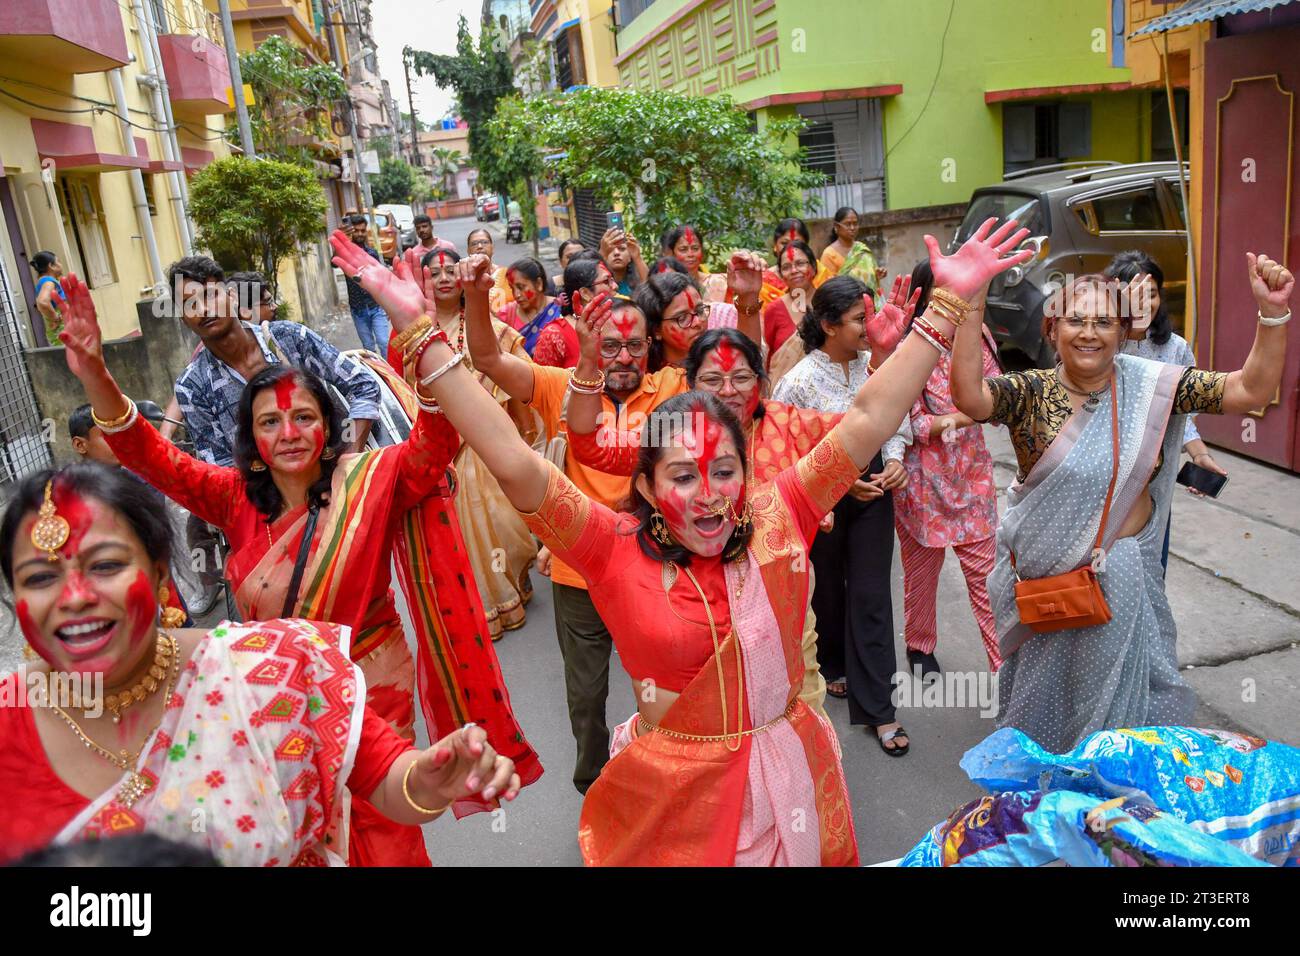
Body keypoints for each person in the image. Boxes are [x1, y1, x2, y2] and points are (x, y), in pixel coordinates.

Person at [336, 217, 1031, 863]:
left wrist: (948, 307)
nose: (709, 493)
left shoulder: (779, 511)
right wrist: (422, 330)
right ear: (644, 487)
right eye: (682, 474)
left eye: (724, 469)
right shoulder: (608, 546)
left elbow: (872, 414)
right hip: (673, 797)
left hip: (790, 774)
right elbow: (510, 458)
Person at [57, 272, 541, 864]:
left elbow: (438, 441)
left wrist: (422, 329)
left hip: (368, 683)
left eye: (305, 418)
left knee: (380, 828)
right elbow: (148, 454)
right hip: (270, 693)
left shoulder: (374, 479)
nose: (289, 434)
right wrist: (94, 373)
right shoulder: (231, 496)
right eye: (269, 422)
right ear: (251, 436)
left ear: (329, 425)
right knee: (293, 825)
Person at [0, 462, 520, 864]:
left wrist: (428, 781)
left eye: (106, 565)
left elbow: (388, 779)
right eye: (40, 578)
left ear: (160, 572)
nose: (73, 597)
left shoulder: (266, 668)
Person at [950, 253, 1292, 753]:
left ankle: (1115, 808)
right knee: (1043, 719)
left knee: (1124, 730)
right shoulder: (1030, 393)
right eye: (1076, 320)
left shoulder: (1153, 386)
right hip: (1046, 596)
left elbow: (1249, 388)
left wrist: (1273, 314)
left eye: (1104, 322)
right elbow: (970, 397)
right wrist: (971, 302)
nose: (1089, 333)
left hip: (1123, 588)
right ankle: (1048, 805)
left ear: (1124, 332)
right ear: (1052, 329)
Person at [772, 275, 914, 753]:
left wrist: (894, 458)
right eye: (860, 319)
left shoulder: (877, 365)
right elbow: (781, 445)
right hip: (822, 497)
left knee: (872, 594)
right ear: (829, 325)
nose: (869, 326)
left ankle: (880, 710)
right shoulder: (800, 380)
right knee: (828, 589)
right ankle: (833, 664)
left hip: (875, 487)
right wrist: (833, 482)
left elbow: (897, 417)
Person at [391, 246, 540, 639]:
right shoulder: (408, 333)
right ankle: (480, 604)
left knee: (502, 523)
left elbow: (512, 375)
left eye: (448, 270)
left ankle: (510, 587)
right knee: (458, 527)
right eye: (433, 272)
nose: (442, 278)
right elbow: (402, 393)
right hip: (442, 448)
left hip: (487, 442)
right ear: (422, 280)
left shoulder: (485, 327)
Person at [891, 260, 1003, 676]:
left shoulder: (977, 338)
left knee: (988, 583)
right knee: (921, 575)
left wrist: (965, 414)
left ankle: (1004, 670)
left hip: (972, 480)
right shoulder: (911, 349)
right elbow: (911, 423)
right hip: (921, 487)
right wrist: (966, 415)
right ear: (925, 297)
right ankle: (920, 646)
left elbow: (995, 397)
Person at [166, 256, 380, 467]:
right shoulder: (192, 386)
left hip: (335, 475)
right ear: (182, 318)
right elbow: (220, 468)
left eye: (211, 295)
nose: (204, 309)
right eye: (189, 303)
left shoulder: (290, 338)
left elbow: (364, 385)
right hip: (266, 498)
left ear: (232, 297)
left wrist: (349, 460)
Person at [1105, 250, 1227, 574]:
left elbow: (1181, 416)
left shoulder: (1175, 348)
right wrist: (1122, 328)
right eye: (1134, 293)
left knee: (1151, 568)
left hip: (1157, 483)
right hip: (1105, 479)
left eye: (1152, 293)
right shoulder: (1099, 343)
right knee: (1106, 572)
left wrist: (1199, 455)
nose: (1144, 301)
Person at [68, 404, 192, 629]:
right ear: (80, 444)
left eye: (120, 435)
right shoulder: (68, 496)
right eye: (106, 437)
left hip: (156, 584)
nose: (118, 443)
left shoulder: (140, 475)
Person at [635, 263, 762, 370]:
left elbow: (749, 360)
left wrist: (748, 296)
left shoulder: (719, 362)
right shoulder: (646, 378)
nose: (698, 322)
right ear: (657, 329)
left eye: (700, 310)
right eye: (682, 318)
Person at [534, 252, 619, 370]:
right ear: (585, 293)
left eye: (613, 280)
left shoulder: (620, 322)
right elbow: (544, 385)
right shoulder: (554, 335)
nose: (615, 286)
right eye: (606, 281)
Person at [761, 239, 819, 362]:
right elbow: (767, 354)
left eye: (800, 264)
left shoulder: (829, 303)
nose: (794, 271)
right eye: (786, 267)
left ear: (813, 267)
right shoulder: (774, 310)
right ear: (781, 275)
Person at [341, 214, 391, 355]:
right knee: (368, 348)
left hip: (376, 307)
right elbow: (334, 261)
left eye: (363, 231)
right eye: (356, 230)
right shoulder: (345, 253)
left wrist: (387, 305)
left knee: (384, 343)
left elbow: (381, 280)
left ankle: (389, 375)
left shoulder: (372, 254)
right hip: (358, 310)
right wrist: (343, 240)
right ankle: (377, 375)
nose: (360, 234)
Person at [497, 257, 562, 354]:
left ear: (539, 284)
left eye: (521, 287)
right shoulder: (506, 314)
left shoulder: (560, 309)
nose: (516, 295)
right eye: (512, 288)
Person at [820, 207, 887, 299]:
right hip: (844, 304)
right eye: (847, 224)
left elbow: (871, 276)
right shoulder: (829, 254)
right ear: (836, 227)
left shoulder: (862, 249)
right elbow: (828, 287)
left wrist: (878, 273)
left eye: (855, 224)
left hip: (870, 301)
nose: (852, 228)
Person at [661, 224, 728, 301]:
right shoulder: (664, 286)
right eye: (683, 249)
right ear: (672, 253)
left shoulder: (717, 282)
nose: (690, 254)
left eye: (695, 248)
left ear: (702, 251)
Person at [466, 227, 514, 316]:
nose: (480, 246)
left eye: (485, 242)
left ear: (492, 248)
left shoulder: (507, 274)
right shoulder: (465, 279)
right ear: (468, 251)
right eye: (474, 244)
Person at [31, 250, 67, 344]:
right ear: (51, 266)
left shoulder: (43, 281)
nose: (60, 265)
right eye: (58, 261)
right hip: (62, 331)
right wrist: (56, 318)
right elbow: (42, 302)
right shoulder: (49, 282)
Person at [598, 227, 647, 295]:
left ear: (630, 257)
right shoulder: (598, 284)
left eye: (622, 249)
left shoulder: (639, 280)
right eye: (610, 249)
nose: (616, 253)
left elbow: (651, 290)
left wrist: (637, 257)